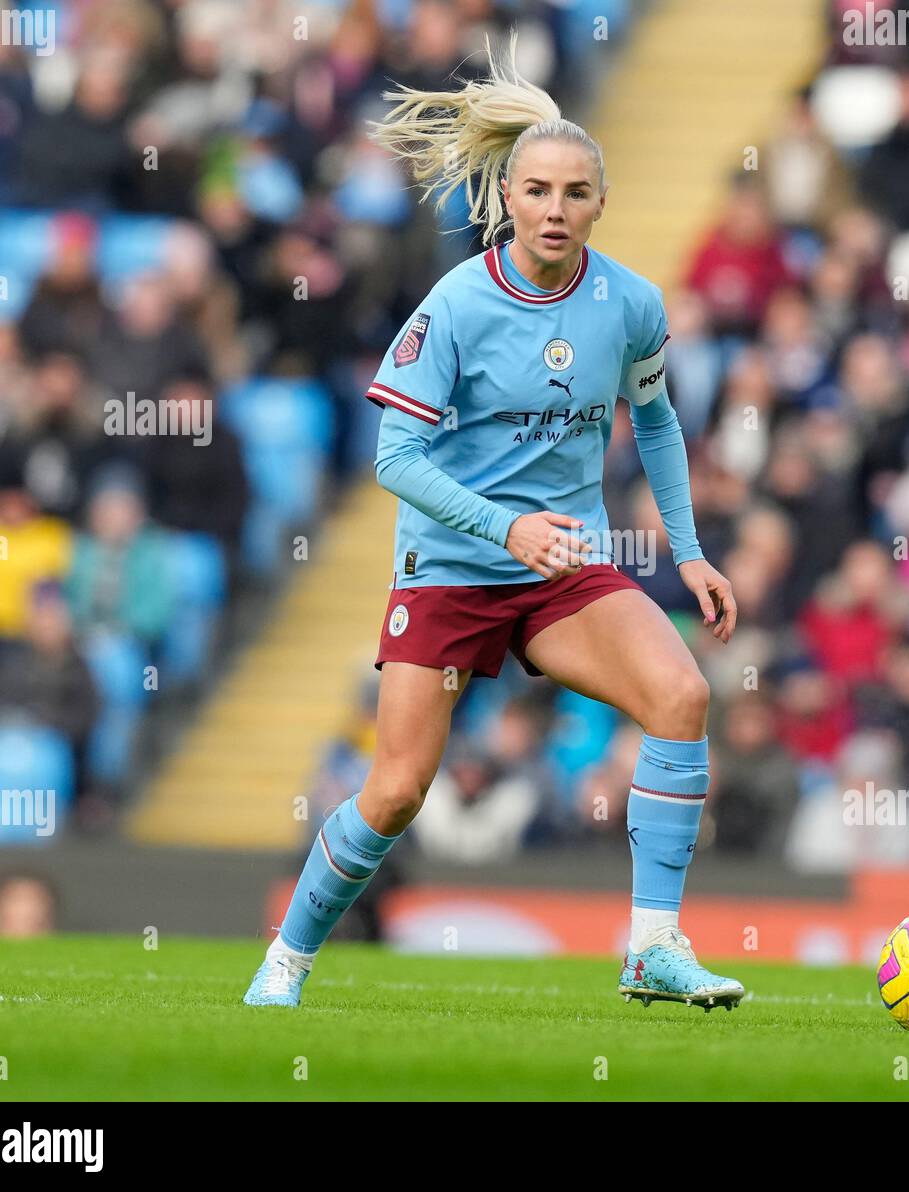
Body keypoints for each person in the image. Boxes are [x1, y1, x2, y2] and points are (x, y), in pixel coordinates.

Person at [243, 40, 743, 1012]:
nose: (556, 209)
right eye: (539, 191)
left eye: (576, 193)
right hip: (450, 568)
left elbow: (655, 421)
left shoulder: (630, 305)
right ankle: (287, 960)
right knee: (396, 791)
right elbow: (393, 459)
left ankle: (652, 948)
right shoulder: (458, 303)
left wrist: (688, 552)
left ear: (601, 203)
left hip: (563, 571)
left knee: (681, 696)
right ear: (508, 197)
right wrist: (506, 530)